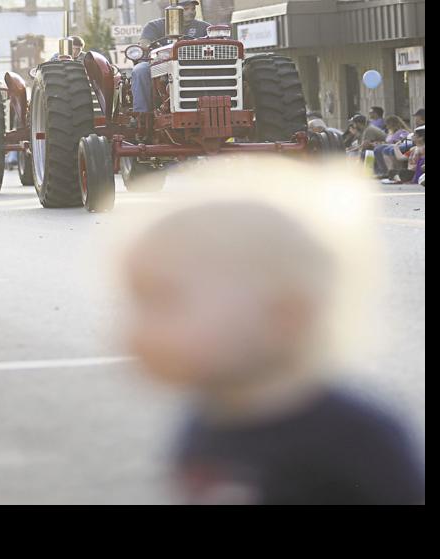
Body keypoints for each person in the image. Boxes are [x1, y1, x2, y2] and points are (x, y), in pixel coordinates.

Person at [118, 184, 424, 504]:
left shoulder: (357, 435)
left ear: (286, 315)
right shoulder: (204, 420)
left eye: (161, 299)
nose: (133, 326)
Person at [132, 0, 210, 122]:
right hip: (160, 65)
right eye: (186, 9)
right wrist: (147, 46)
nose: (191, 12)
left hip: (195, 66)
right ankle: (141, 114)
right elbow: (144, 43)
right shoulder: (154, 26)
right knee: (140, 70)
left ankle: (216, 104)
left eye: (193, 9)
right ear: (173, 10)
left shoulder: (204, 27)